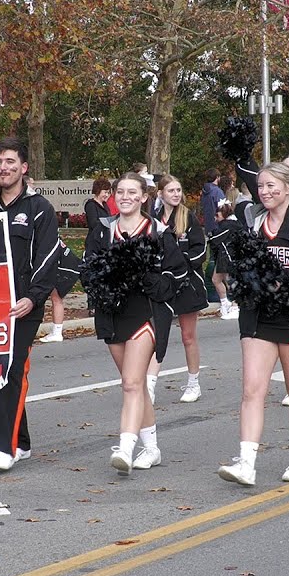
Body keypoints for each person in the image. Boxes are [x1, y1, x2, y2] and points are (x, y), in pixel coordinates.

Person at [217, 163, 289, 486]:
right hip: (259, 316)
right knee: (251, 389)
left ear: (288, 187)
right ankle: (246, 462)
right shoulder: (254, 224)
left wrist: (286, 279)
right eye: (261, 186)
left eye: (272, 186)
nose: (266, 191)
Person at [84, 173, 188, 473]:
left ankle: (126, 449)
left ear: (144, 197)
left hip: (147, 314)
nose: (125, 196)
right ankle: (152, 448)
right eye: (120, 191)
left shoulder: (157, 232)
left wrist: (151, 281)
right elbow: (88, 269)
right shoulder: (102, 232)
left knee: (130, 383)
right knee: (137, 385)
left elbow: (177, 273)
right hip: (114, 314)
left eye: (132, 192)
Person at [0, 137, 61, 471]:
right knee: (1, 369)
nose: (3, 168)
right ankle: (21, 442)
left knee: (12, 368)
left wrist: (32, 297)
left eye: (10, 162)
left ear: (24, 168)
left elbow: (49, 258)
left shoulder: (40, 209)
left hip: (25, 305)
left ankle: (3, 448)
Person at [151, 174, 208, 403]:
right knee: (155, 335)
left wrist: (180, 262)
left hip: (187, 284)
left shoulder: (188, 217)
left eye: (178, 190)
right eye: (171, 190)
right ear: (161, 193)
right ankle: (149, 385)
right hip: (162, 285)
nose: (176, 194)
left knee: (188, 336)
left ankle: (193, 383)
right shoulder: (153, 220)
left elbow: (200, 251)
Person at [40, 238, 81, 343]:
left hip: (66, 269)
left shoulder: (46, 238)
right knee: (55, 298)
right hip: (68, 266)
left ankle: (57, 332)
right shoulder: (51, 234)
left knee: (56, 298)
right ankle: (56, 332)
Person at [207, 201, 242, 319]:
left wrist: (210, 236)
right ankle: (225, 303)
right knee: (216, 279)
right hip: (223, 256)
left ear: (224, 214)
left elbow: (215, 238)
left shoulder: (228, 225)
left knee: (229, 280)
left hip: (229, 256)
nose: (215, 218)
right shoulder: (230, 224)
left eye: (217, 215)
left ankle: (236, 305)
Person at [201, 168, 226, 236]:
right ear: (217, 177)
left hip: (208, 225)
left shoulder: (204, 192)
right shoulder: (217, 192)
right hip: (217, 225)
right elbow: (224, 209)